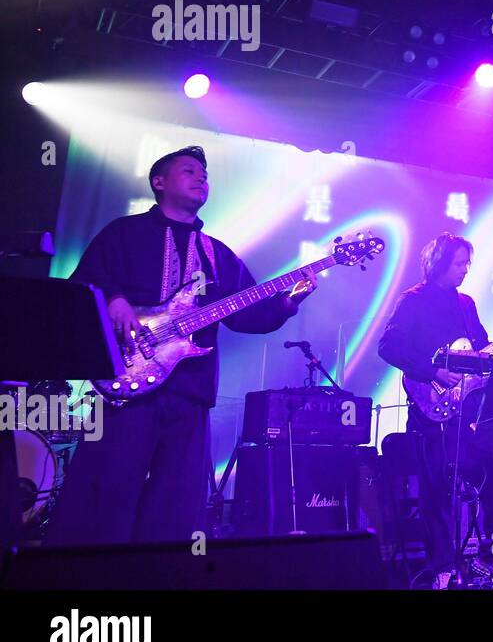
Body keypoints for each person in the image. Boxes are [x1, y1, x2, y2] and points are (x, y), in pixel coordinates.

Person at [47, 146, 314, 545]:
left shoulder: (217, 254)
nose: (201, 177)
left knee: (176, 508)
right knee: (107, 495)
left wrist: (288, 303)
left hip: (190, 393)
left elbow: (245, 316)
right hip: (128, 385)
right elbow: (84, 282)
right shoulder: (125, 232)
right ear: (159, 182)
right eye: (189, 170)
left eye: (205, 173)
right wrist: (114, 299)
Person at [378, 233, 493, 586]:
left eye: (467, 263)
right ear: (439, 263)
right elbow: (388, 346)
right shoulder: (413, 300)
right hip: (431, 410)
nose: (466, 269)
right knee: (438, 490)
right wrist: (432, 372)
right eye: (460, 263)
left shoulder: (467, 304)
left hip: (473, 412)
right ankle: (442, 568)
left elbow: (484, 358)